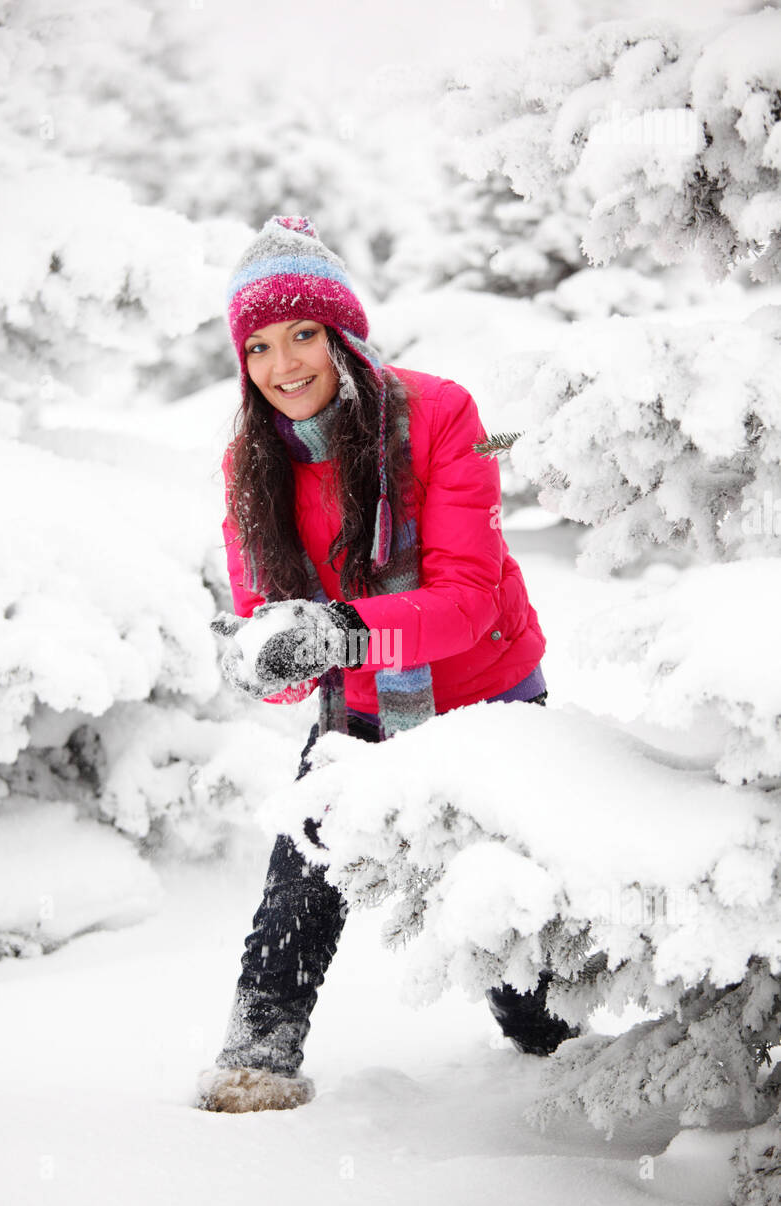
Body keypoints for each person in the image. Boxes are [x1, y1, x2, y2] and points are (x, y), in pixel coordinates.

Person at [196, 215, 578, 1114]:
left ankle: (552, 1062)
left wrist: (330, 632)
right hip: (358, 707)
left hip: (489, 701)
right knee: (301, 881)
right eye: (258, 345)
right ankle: (257, 1064)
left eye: (303, 335)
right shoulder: (249, 463)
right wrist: (265, 657)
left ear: (343, 336)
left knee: (497, 914)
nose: (285, 364)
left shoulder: (440, 415)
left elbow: (467, 600)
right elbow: (273, 630)